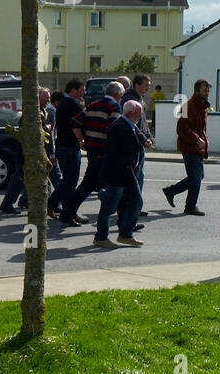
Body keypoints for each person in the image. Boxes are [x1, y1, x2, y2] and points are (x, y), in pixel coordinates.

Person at [59, 81, 122, 226]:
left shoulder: (93, 104)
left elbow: (75, 122)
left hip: (93, 149)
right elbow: (114, 130)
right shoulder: (114, 106)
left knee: (89, 184)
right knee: (111, 184)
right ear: (117, 95)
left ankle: (67, 213)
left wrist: (82, 140)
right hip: (104, 151)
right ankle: (121, 220)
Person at [94, 99, 146, 248]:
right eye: (138, 112)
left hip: (127, 174)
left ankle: (126, 234)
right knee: (109, 208)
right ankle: (101, 237)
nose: (141, 115)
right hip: (118, 176)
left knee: (133, 202)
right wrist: (128, 174)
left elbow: (138, 133)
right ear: (130, 113)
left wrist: (145, 140)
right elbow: (115, 156)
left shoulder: (129, 125)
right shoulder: (119, 127)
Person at [163, 78, 211, 215]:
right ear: (197, 91)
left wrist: (204, 140)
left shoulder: (202, 105)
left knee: (198, 176)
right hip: (189, 147)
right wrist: (197, 140)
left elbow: (200, 128)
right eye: (204, 90)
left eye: (208, 90)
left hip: (197, 147)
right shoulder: (187, 106)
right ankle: (190, 206)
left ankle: (171, 191)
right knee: (195, 178)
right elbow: (182, 129)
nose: (207, 92)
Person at [49, 79, 86, 218]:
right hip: (69, 147)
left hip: (65, 146)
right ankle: (67, 211)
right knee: (70, 181)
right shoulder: (71, 104)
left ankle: (61, 207)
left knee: (68, 181)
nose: (84, 92)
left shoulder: (65, 103)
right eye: (82, 89)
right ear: (73, 90)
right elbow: (79, 124)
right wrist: (82, 140)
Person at [121, 74, 154, 215]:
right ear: (137, 84)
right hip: (133, 145)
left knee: (138, 177)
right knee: (135, 178)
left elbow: (143, 123)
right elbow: (132, 125)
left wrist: (149, 137)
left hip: (140, 143)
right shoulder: (129, 100)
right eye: (146, 84)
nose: (148, 87)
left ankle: (135, 206)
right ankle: (131, 207)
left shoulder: (140, 99)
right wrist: (143, 139)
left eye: (149, 85)